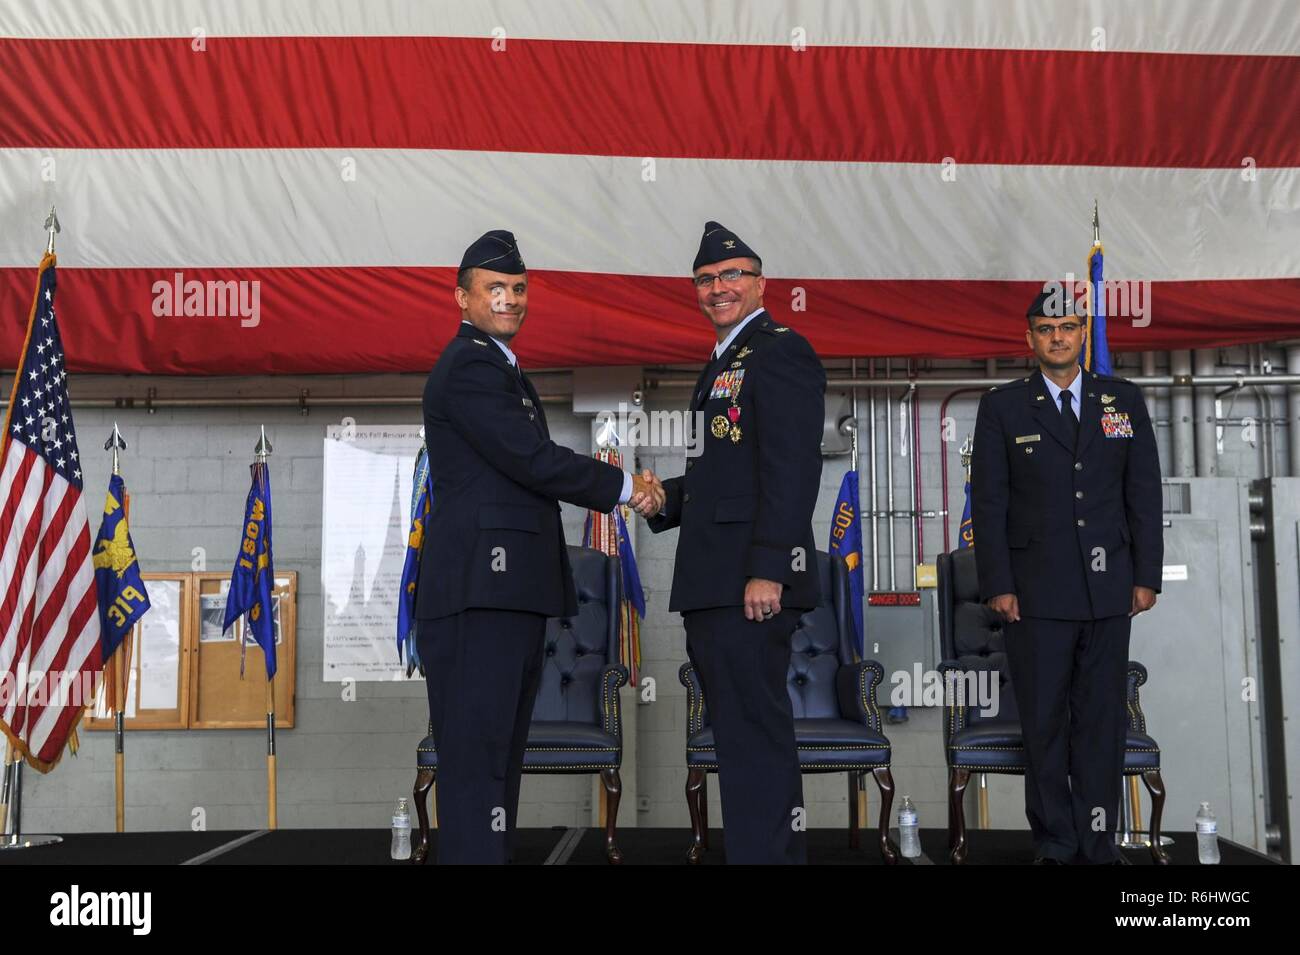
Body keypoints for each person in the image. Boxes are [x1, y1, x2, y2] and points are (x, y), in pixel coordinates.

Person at [416, 229, 662, 864]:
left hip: (506, 598)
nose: (509, 299)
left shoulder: (499, 367)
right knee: (477, 772)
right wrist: (621, 488)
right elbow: (531, 459)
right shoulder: (470, 365)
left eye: (519, 289)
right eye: (494, 289)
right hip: (479, 597)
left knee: (497, 767)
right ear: (461, 298)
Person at [646, 221, 825, 864]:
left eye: (731, 276)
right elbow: (724, 474)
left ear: (760, 283)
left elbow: (792, 467)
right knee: (739, 739)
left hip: (748, 584)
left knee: (754, 738)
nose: (718, 288)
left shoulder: (779, 350)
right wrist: (666, 498)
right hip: (714, 582)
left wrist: (769, 569)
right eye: (706, 280)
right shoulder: (723, 361)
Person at [971, 282, 1162, 864]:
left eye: (1069, 328)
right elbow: (990, 505)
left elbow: (1143, 494)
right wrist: (999, 584)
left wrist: (1146, 575)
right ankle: (1055, 842)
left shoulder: (1121, 401)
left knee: (1100, 723)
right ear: (1029, 338)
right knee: (1046, 724)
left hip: (1108, 592)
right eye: (1046, 329)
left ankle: (1098, 843)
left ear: (1083, 334)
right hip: (1034, 596)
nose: (1058, 337)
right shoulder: (1002, 406)